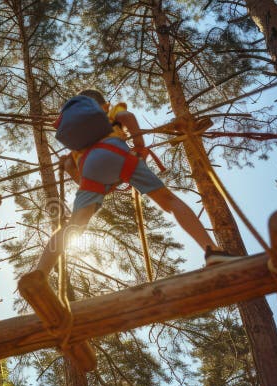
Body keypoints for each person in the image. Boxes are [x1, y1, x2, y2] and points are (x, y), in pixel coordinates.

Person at [32, 89, 233, 278]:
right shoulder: (108, 113)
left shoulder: (76, 145)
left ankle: (39, 273)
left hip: (88, 166)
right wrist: (139, 147)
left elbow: (87, 182)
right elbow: (127, 118)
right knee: (169, 201)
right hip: (117, 153)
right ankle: (211, 250)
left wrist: (69, 166)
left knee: (75, 223)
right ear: (104, 105)